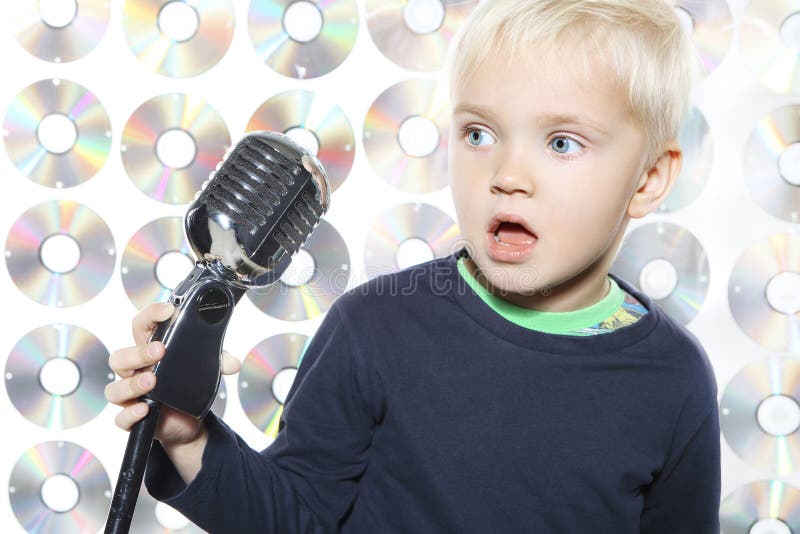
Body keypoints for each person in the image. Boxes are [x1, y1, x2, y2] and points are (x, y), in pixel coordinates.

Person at [105, 0, 720, 531]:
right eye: (479, 134)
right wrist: (189, 440)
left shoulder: (674, 380)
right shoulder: (374, 328)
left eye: (562, 143)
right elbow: (293, 517)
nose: (507, 176)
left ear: (649, 179)